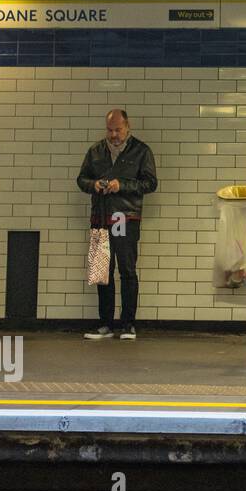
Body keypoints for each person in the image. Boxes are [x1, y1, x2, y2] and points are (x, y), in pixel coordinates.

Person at [78, 109, 157, 341]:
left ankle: (128, 324)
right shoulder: (95, 151)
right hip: (100, 217)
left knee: (126, 269)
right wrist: (94, 185)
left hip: (125, 217)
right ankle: (105, 324)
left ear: (127, 127)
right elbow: (81, 179)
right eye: (110, 130)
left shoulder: (141, 151)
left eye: (117, 130)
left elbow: (150, 183)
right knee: (102, 271)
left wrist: (121, 185)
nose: (113, 135)